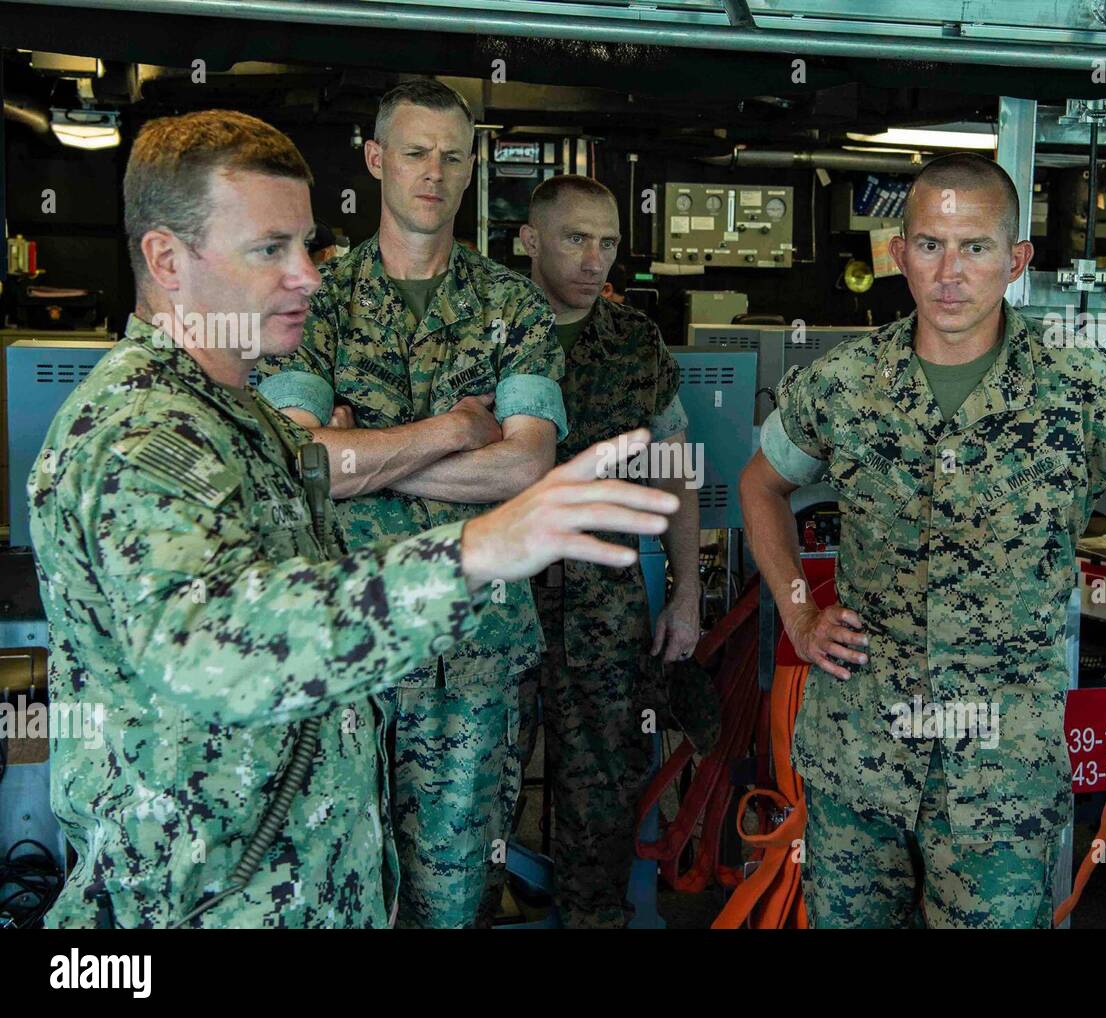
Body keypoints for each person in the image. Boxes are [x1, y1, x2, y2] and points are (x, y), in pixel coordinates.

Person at [27, 108, 676, 929]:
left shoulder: (237, 422)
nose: (307, 275)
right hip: (205, 895)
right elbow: (211, 646)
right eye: (271, 250)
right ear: (166, 260)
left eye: (304, 244)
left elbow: (355, 470)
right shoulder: (146, 432)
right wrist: (473, 545)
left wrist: (374, 462)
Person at [739, 152, 1106, 929]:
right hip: (858, 758)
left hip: (1000, 780)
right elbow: (760, 486)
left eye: (975, 247)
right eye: (931, 245)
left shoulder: (1084, 390)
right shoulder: (843, 384)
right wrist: (799, 609)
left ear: (1014, 261)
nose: (951, 272)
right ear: (899, 254)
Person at [255, 78, 568, 928]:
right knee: (335, 886)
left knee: (454, 895)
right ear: (375, 160)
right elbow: (299, 460)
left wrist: (371, 453)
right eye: (416, 152)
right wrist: (458, 429)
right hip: (345, 644)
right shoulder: (317, 298)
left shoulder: (512, 306)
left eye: (452, 156)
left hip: (475, 650)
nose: (434, 172)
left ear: (471, 170)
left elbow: (526, 469)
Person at [503, 175, 699, 927]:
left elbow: (675, 466)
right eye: (575, 239)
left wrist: (685, 594)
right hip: (499, 598)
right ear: (529, 239)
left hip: (605, 604)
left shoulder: (635, 340)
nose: (594, 260)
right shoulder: (490, 328)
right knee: (473, 787)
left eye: (608, 241)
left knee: (604, 797)